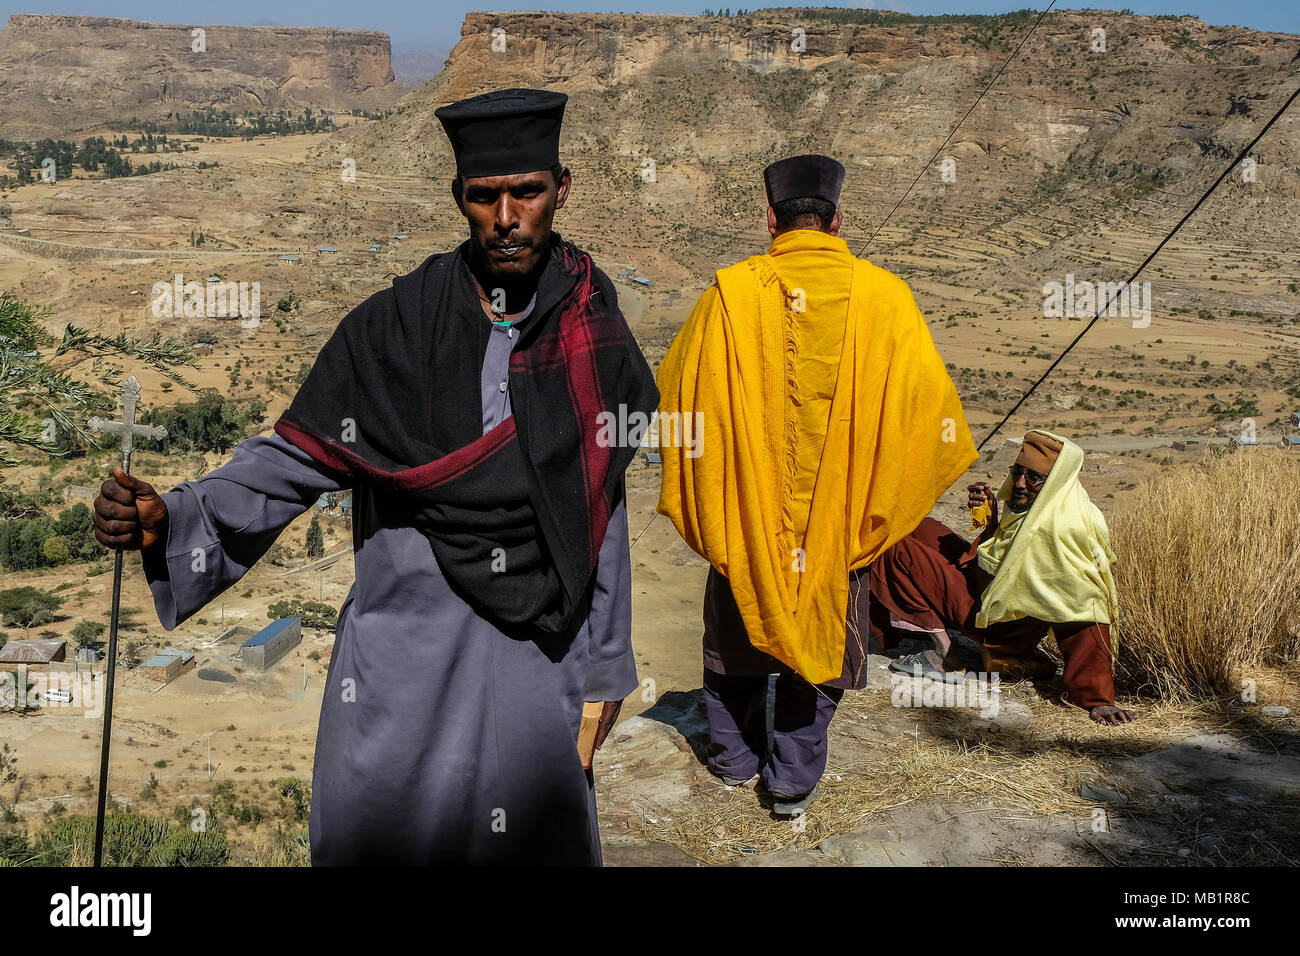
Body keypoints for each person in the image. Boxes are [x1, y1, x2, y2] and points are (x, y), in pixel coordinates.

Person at [93, 88, 660, 864]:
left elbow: (605, 511)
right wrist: (178, 517)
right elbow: (292, 459)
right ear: (458, 200)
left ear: (562, 188)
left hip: (540, 659)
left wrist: (605, 669)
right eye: (482, 196)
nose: (505, 216)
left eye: (525, 191)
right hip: (402, 656)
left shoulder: (593, 330)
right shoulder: (392, 328)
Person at [656, 154, 977, 815]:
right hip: (840, 531)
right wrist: (876, 507)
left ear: (770, 218)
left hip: (747, 525)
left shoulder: (727, 295)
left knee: (733, 652)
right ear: (838, 218)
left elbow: (677, 398)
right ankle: (791, 784)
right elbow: (932, 412)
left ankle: (734, 761)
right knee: (822, 651)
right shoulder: (886, 297)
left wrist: (721, 503)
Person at [869, 429, 1137, 725]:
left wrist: (1098, 699)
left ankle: (946, 658)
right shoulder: (1053, 503)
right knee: (922, 527)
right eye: (1018, 472)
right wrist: (991, 518)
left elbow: (1085, 608)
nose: (1020, 484)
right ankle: (1013, 660)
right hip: (993, 597)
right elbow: (1006, 560)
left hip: (998, 628)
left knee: (894, 543)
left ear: (1056, 480)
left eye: (1033, 478)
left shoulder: (1061, 530)